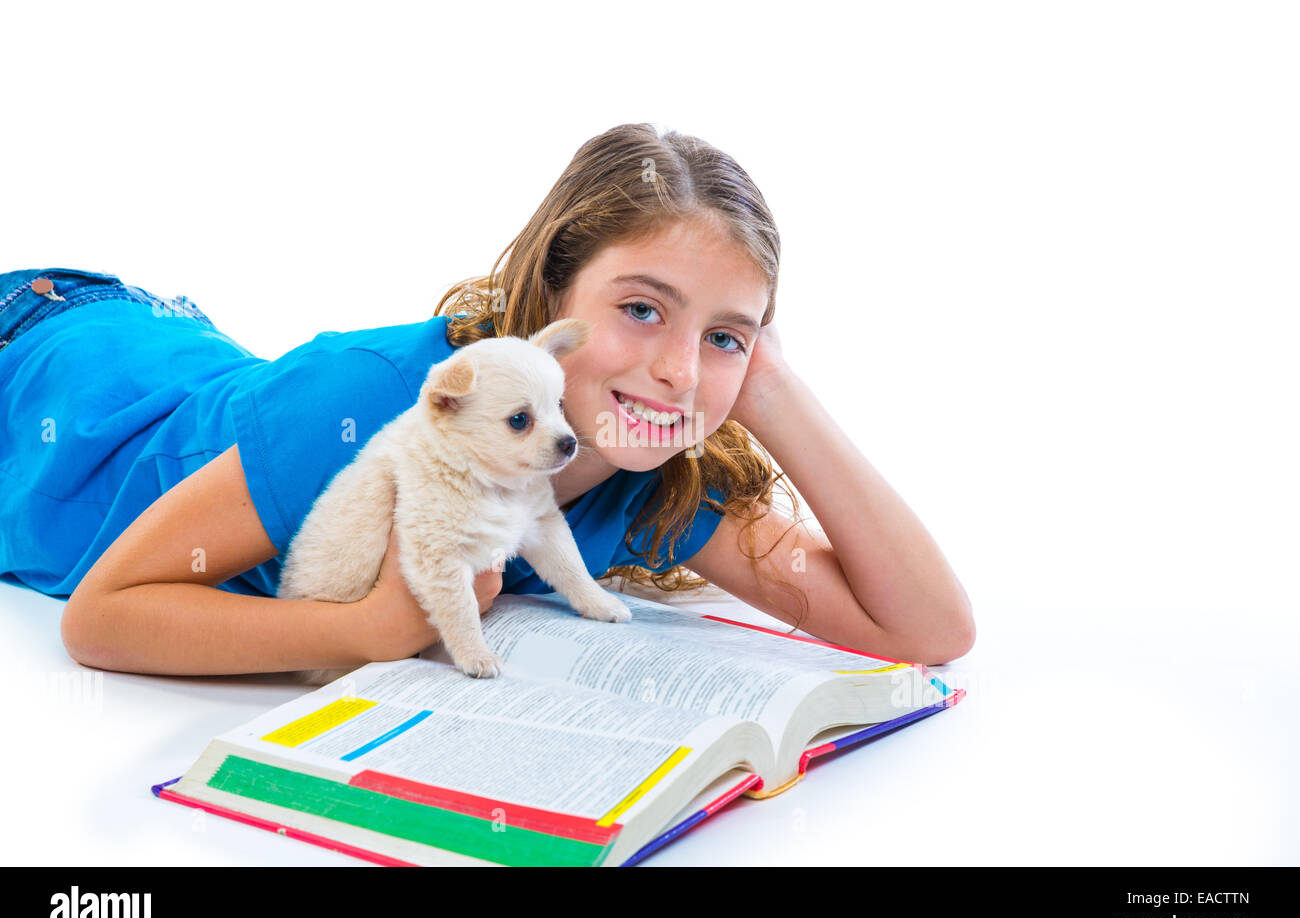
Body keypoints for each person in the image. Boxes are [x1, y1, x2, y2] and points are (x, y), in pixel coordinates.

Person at [0, 122, 974, 676]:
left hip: (165, 354)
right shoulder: (376, 404)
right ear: (549, 295)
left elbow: (929, 631)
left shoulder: (654, 474)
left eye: (724, 335)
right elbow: (103, 616)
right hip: (45, 361)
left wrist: (771, 387)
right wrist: (362, 632)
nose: (681, 370)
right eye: (642, 309)